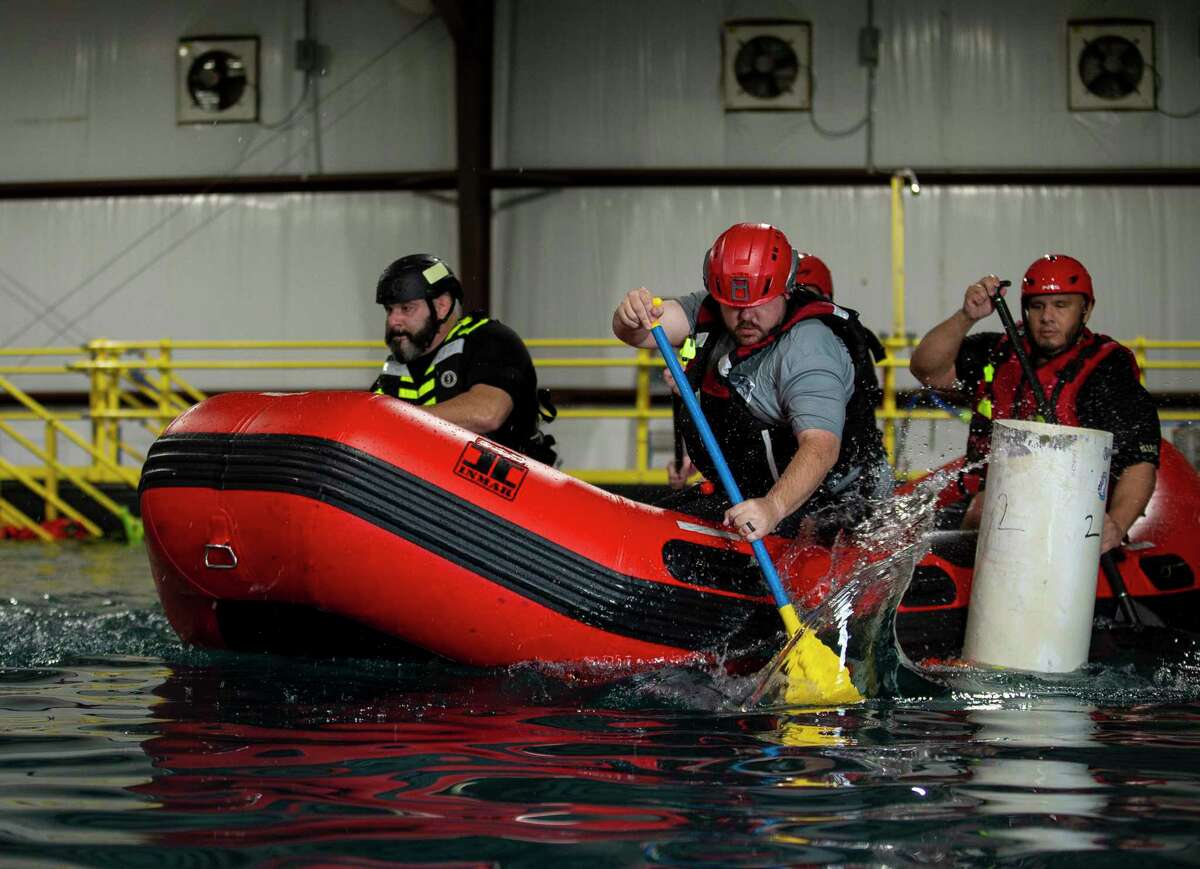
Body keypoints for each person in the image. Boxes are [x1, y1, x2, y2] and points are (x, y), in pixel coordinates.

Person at [612, 223, 891, 542]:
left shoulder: (809, 350)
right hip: (754, 492)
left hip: (833, 498)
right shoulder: (712, 309)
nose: (745, 317)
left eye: (758, 304)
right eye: (732, 305)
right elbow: (646, 330)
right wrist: (628, 317)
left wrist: (772, 507)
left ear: (786, 290)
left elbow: (821, 447)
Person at [909, 254, 1160, 553]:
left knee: (982, 507)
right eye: (1037, 306)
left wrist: (1115, 525)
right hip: (991, 506)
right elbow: (928, 369)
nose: (1047, 317)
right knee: (919, 527)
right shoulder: (1001, 351)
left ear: (1087, 309)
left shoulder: (1106, 373)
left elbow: (1139, 462)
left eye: (1061, 305)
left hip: (1068, 516)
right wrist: (967, 316)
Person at [371, 253, 556, 464]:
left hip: (509, 489)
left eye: (406, 308)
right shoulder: (395, 370)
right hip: (430, 490)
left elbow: (488, 412)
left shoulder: (491, 340)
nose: (393, 320)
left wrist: (394, 419)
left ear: (441, 306)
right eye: (389, 310)